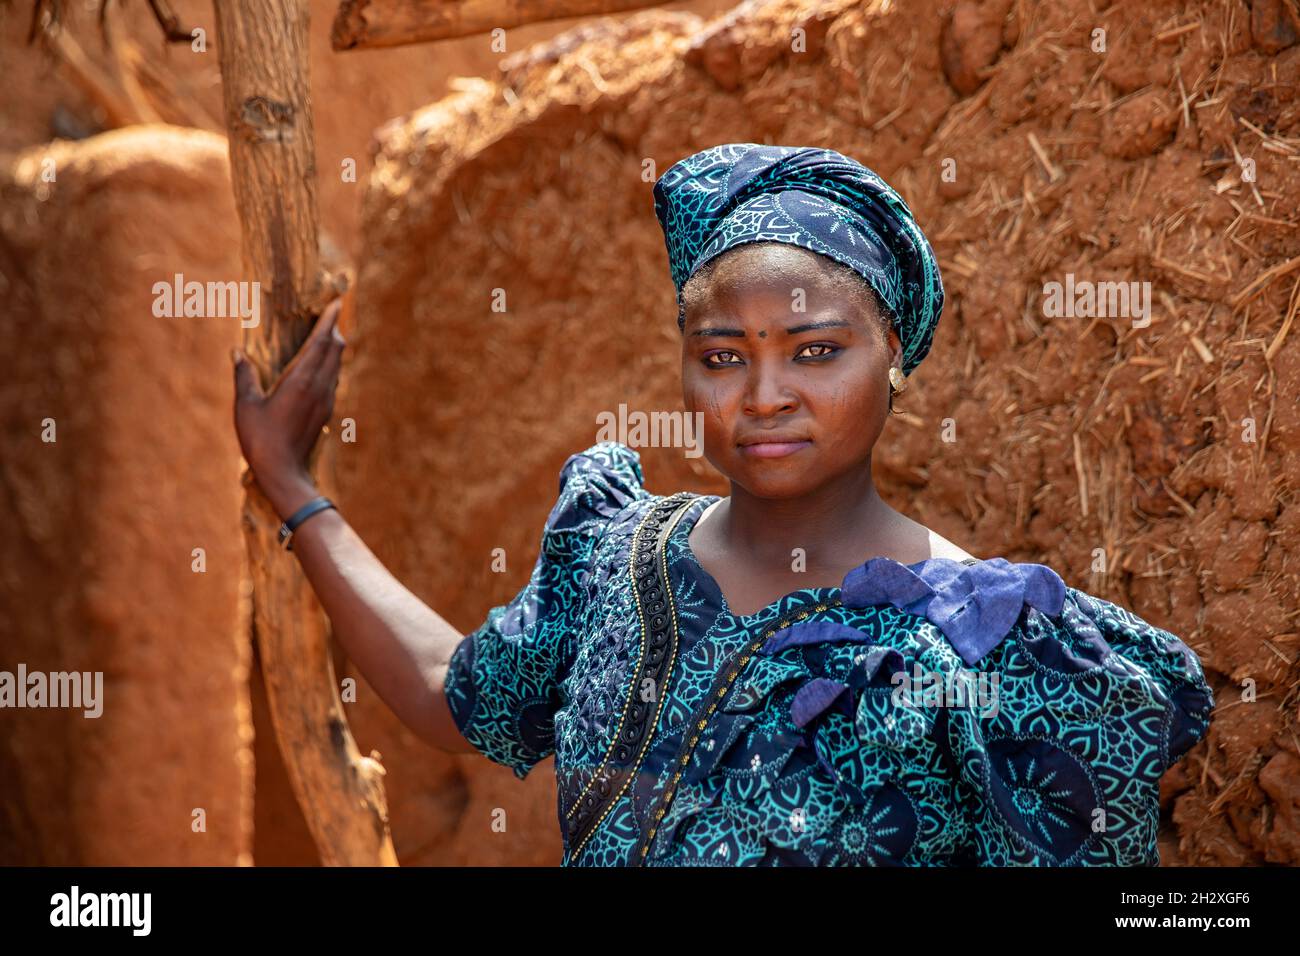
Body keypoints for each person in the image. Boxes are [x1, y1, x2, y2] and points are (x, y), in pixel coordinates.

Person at [232, 142, 1214, 866]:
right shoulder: (620, 555)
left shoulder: (991, 645)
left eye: (816, 350)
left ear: (895, 365)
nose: (763, 395)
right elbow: (457, 691)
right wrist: (293, 486)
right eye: (721, 356)